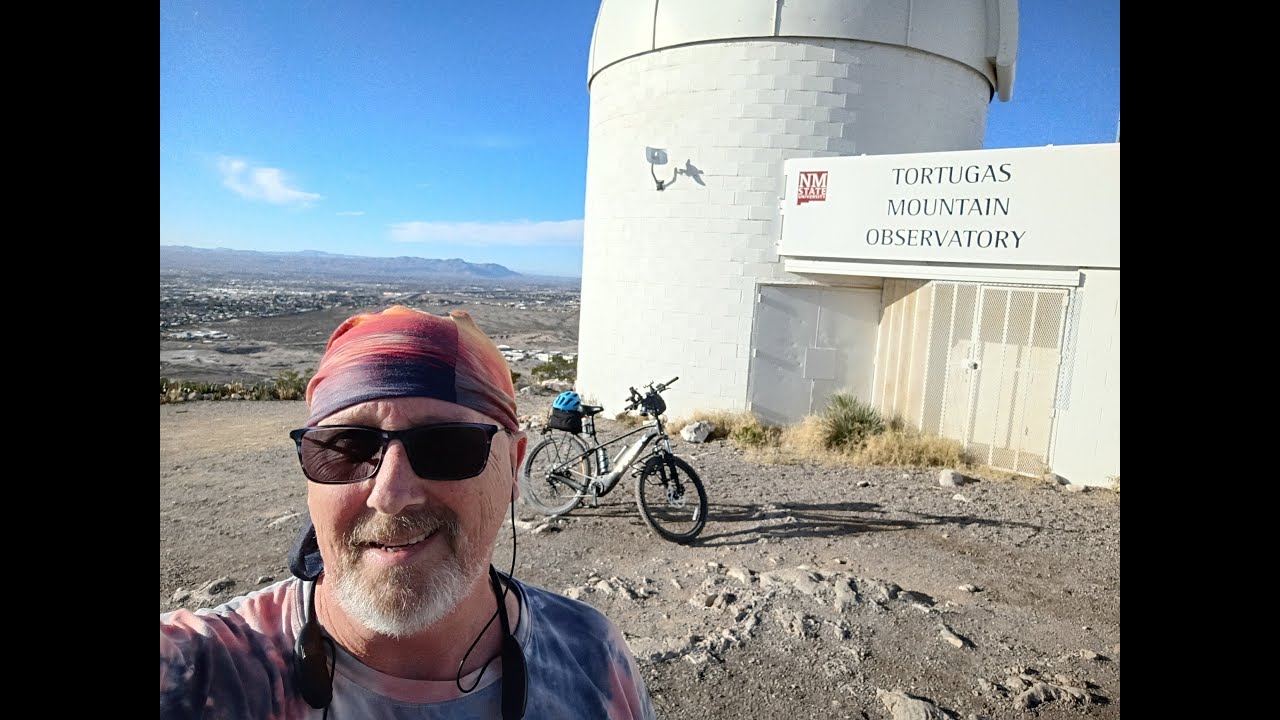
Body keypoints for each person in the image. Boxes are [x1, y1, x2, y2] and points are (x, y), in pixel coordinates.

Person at [160, 305, 656, 719]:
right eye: (347, 447)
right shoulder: (201, 673)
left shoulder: (591, 656)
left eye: (446, 446)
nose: (390, 494)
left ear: (513, 465)